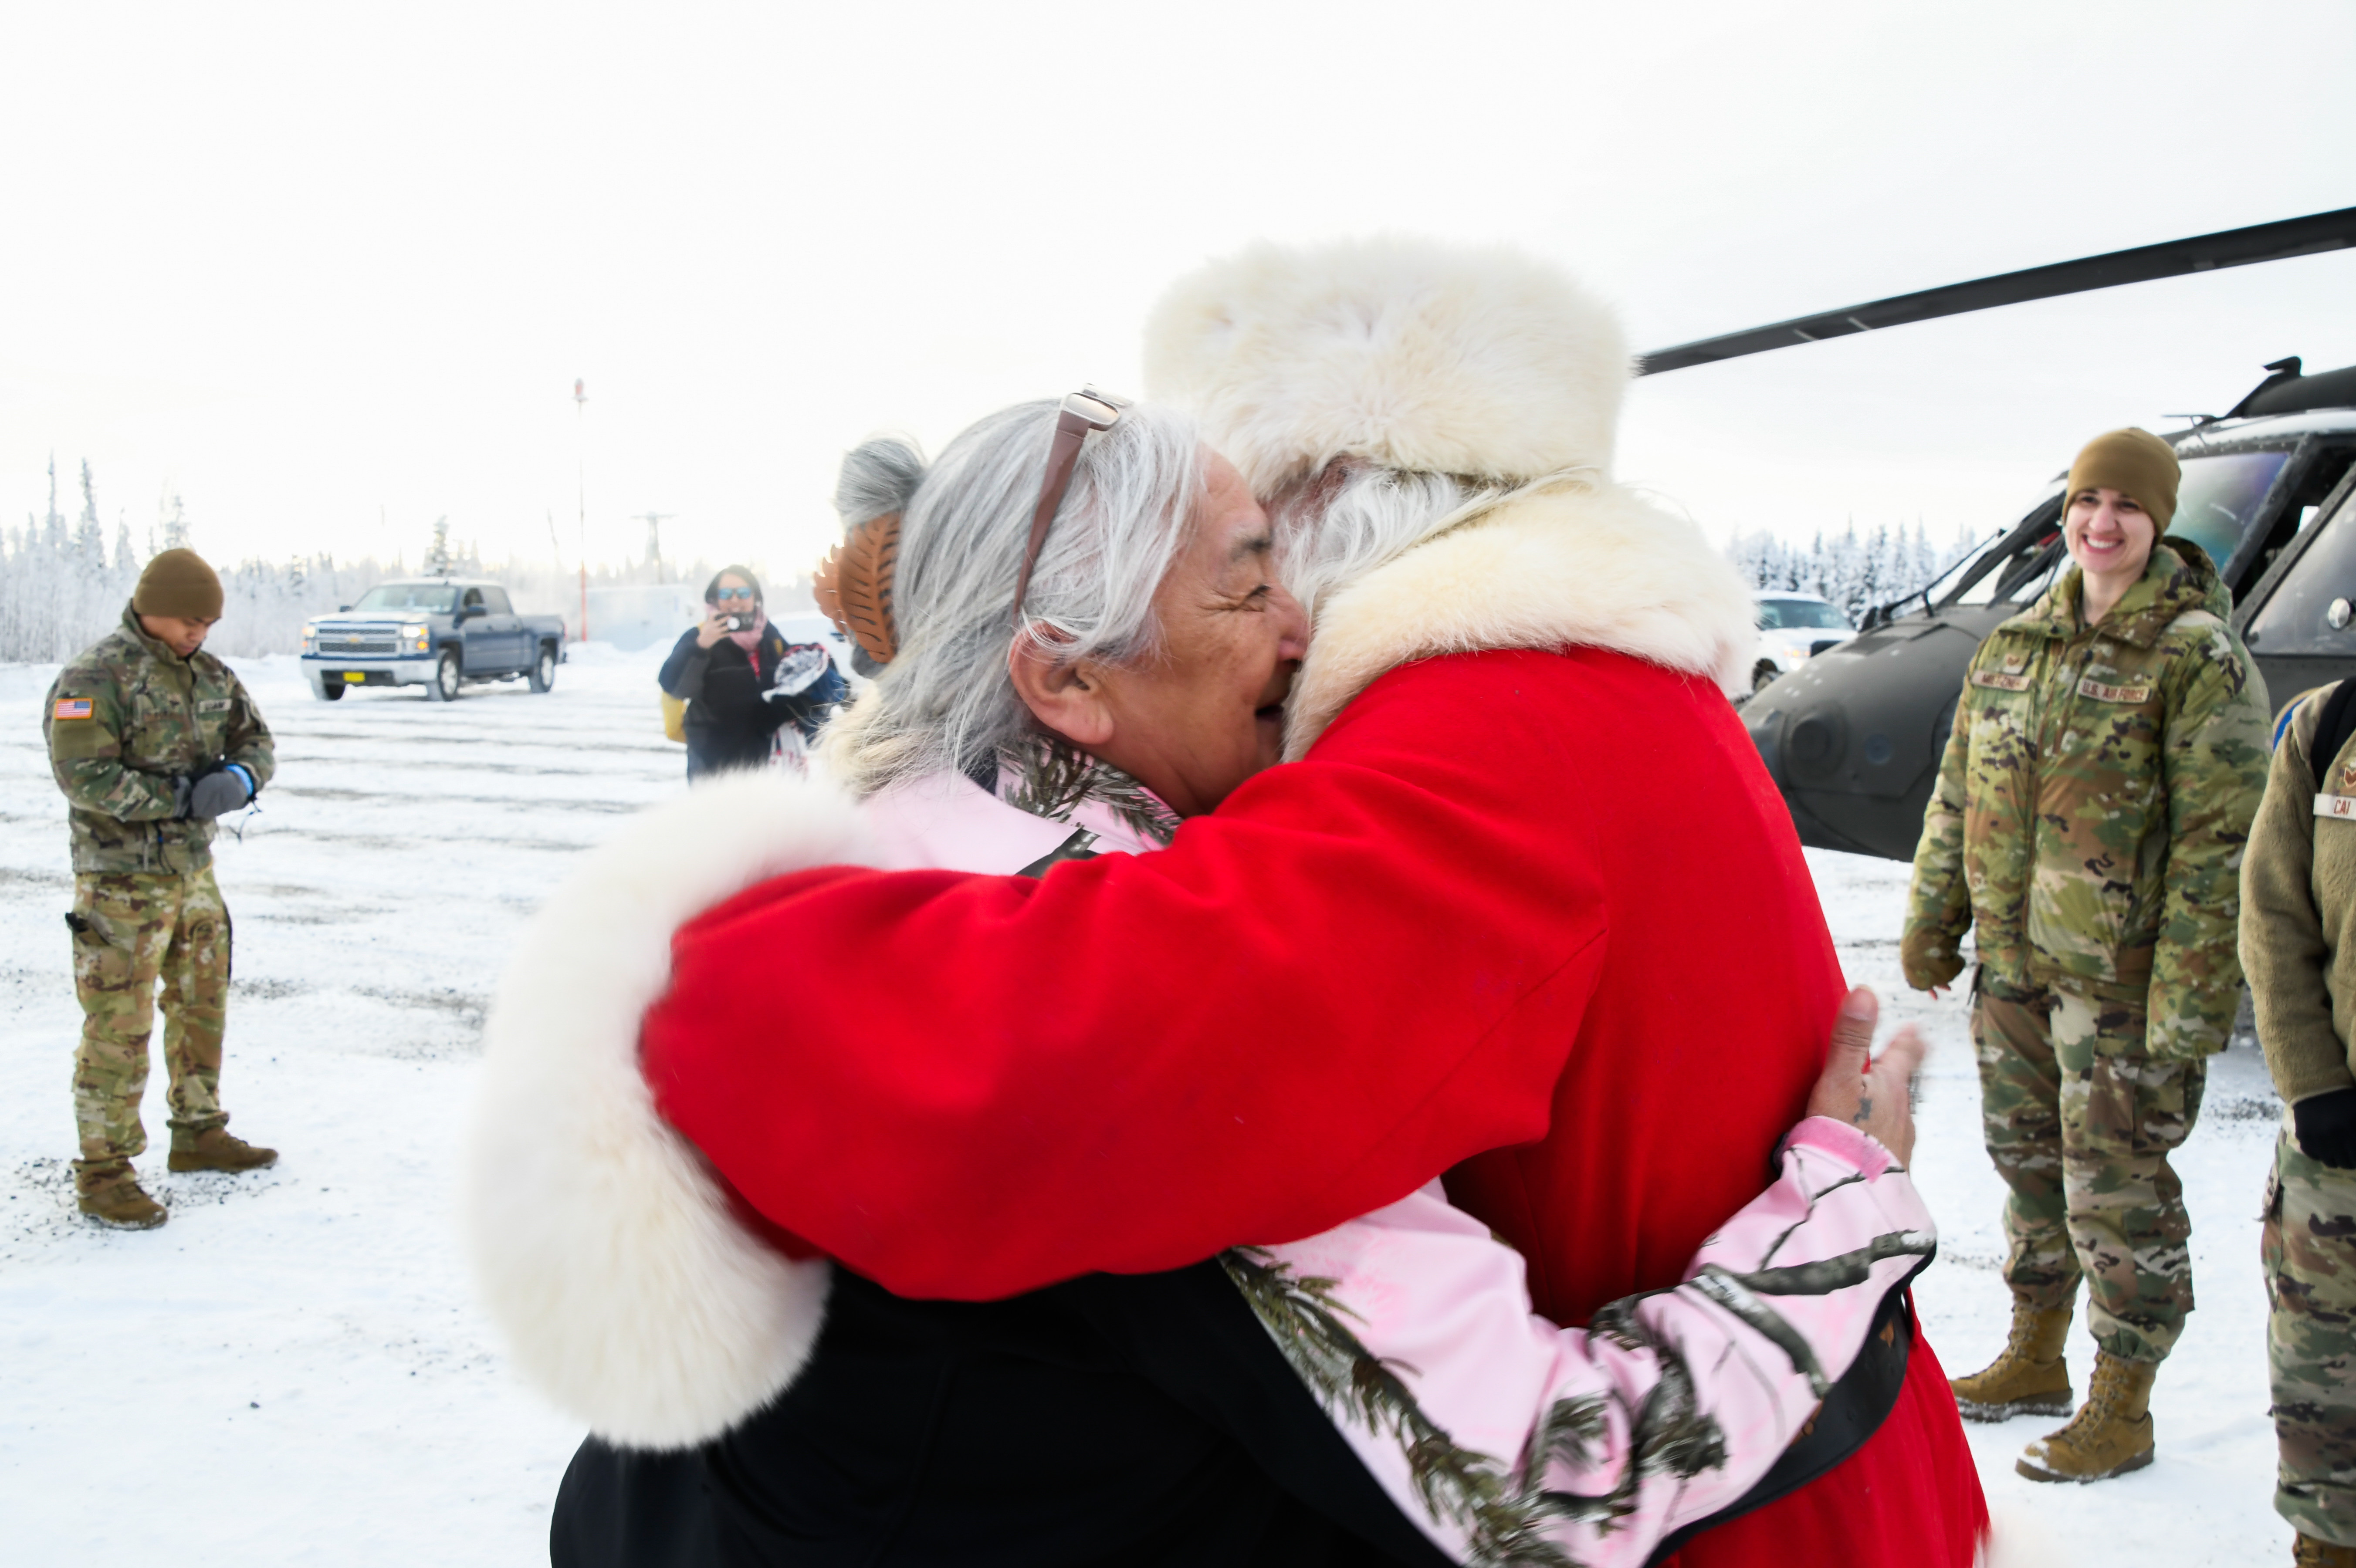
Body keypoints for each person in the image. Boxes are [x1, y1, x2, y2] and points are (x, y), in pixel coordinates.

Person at [474, 238, 1985, 1566]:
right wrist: (1839, 1207)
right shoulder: (1131, 984)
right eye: (1248, 582)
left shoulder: (877, 851)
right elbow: (1549, 1485)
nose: (1301, 628)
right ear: (1061, 678)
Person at [1904, 426, 2270, 1482]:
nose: (2099, 522)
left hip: (2121, 982)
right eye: (2086, 501)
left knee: (2114, 1185)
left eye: (2124, 505)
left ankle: (2124, 1399)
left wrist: (2191, 999)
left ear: (2158, 521)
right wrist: (1936, 916)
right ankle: (2032, 1357)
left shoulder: (2193, 653)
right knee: (2026, 1172)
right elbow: (1956, 793)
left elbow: (2219, 843)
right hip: (2012, 973)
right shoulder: (2015, 643)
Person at [41, 548, 278, 1230]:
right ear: (152, 606)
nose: (198, 633)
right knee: (119, 1025)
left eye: (208, 622)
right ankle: (105, 1172)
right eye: (188, 620)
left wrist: (241, 780)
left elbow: (257, 739)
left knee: (202, 1003)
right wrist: (178, 796)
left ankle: (199, 1131)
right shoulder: (96, 675)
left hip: (193, 873)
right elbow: (83, 775)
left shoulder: (210, 675)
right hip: (121, 881)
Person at [2242, 679, 2356, 1566]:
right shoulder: (2329, 726)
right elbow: (2274, 910)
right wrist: (2313, 1084)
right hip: (2341, 1140)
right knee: (2325, 1397)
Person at [657, 565, 846, 780]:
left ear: (755, 597)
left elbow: (788, 681)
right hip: (715, 764)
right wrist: (701, 647)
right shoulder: (697, 636)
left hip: (766, 761)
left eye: (744, 593)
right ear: (715, 599)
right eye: (726, 594)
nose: (735, 600)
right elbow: (674, 687)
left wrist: (793, 704)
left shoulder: (769, 636)